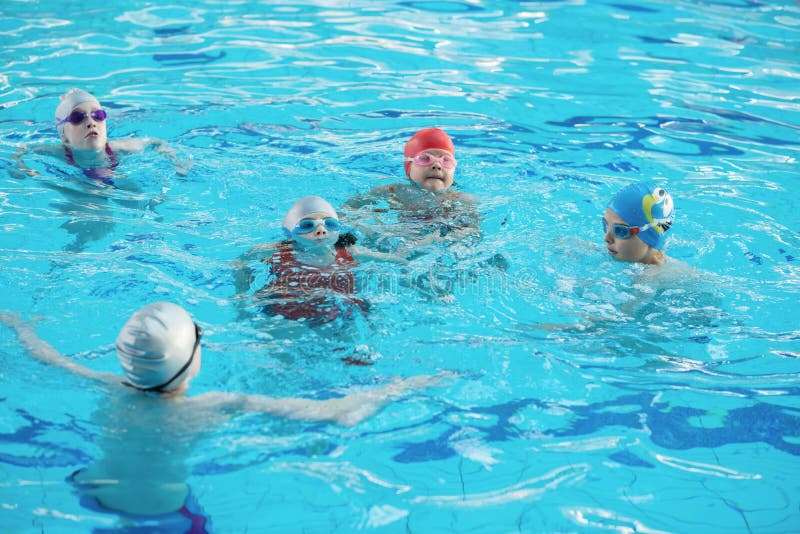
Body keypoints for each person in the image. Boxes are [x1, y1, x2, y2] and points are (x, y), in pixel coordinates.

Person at [0, 302, 437, 523]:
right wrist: (406, 386)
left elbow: (48, 359)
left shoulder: (106, 387)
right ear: (192, 359)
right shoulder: (211, 408)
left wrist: (20, 325)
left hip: (93, 495)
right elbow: (341, 416)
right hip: (167, 518)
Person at [234, 196, 405, 324]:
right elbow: (239, 263)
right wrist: (242, 293)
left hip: (339, 311)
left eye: (329, 224)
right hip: (286, 313)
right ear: (290, 231)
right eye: (307, 226)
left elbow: (395, 261)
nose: (321, 231)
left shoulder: (351, 251)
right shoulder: (277, 251)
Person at [12, 88, 190, 182]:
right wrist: (22, 169)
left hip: (115, 176)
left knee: (148, 202)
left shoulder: (120, 147)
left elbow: (155, 141)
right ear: (64, 137)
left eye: (98, 115)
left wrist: (172, 157)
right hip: (80, 183)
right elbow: (23, 150)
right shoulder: (58, 152)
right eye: (77, 117)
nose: (91, 122)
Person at [603, 181, 675, 266]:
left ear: (650, 237)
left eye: (620, 231)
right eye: (605, 225)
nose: (606, 238)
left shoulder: (656, 277)